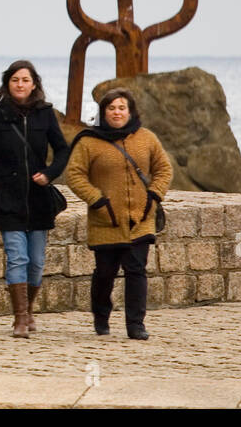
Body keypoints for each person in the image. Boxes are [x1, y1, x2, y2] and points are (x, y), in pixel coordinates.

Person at [0, 59, 70, 338]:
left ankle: (29, 309)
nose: (20, 85)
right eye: (15, 80)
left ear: (34, 84)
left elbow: (63, 151)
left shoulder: (45, 114)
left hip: (38, 200)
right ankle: (20, 319)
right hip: (7, 197)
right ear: (7, 84)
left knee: (36, 262)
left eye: (25, 80)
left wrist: (49, 174)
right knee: (17, 258)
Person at [65, 88, 172, 340]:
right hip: (106, 220)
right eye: (111, 108)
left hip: (140, 219)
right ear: (103, 112)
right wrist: (97, 200)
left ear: (130, 111)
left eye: (121, 107)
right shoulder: (88, 141)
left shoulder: (146, 138)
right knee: (105, 273)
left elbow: (163, 169)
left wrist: (154, 196)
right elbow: (74, 175)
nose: (117, 112)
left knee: (137, 271)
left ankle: (136, 325)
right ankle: (101, 316)